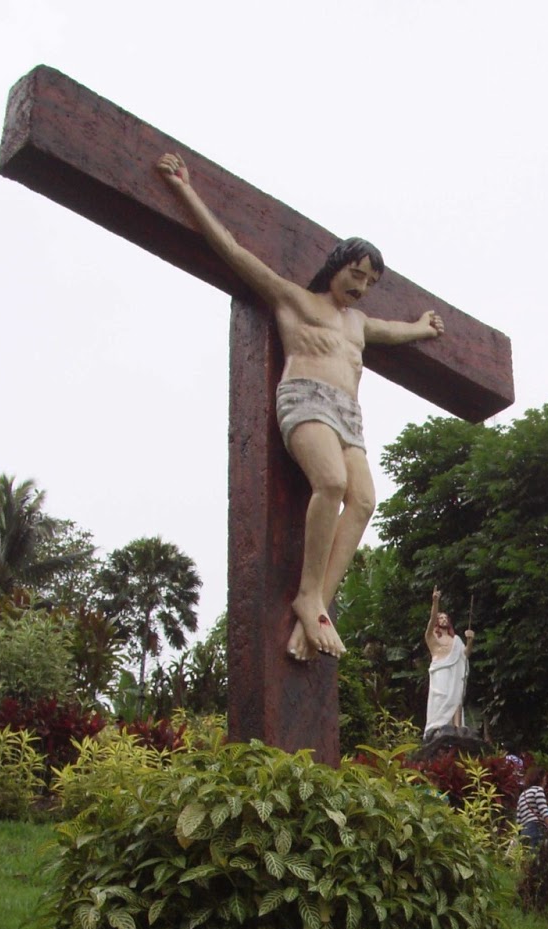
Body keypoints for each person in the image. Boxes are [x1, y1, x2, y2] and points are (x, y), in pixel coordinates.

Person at [156, 153, 445, 661]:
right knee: (330, 483)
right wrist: (185, 190)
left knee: (364, 500)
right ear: (337, 266)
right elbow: (233, 251)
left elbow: (394, 332)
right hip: (306, 398)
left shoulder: (357, 324)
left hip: (349, 416)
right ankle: (307, 594)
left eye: (369, 282)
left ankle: (316, 605)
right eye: (355, 274)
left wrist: (422, 328)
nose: (360, 287)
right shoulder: (294, 300)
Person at [423, 587, 472, 738]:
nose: (443, 619)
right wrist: (435, 602)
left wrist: (470, 640)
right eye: (440, 618)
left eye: (445, 618)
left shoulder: (455, 640)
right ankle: (437, 726)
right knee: (442, 695)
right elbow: (431, 620)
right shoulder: (432, 637)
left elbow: (465, 655)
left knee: (456, 696)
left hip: (454, 672)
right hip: (440, 670)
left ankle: (457, 726)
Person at [515, 762, 548, 852]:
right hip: (535, 828)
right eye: (545, 779)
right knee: (537, 857)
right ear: (540, 778)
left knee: (528, 860)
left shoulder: (522, 795)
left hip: (524, 832)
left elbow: (518, 820)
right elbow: (544, 812)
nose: (546, 782)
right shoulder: (538, 790)